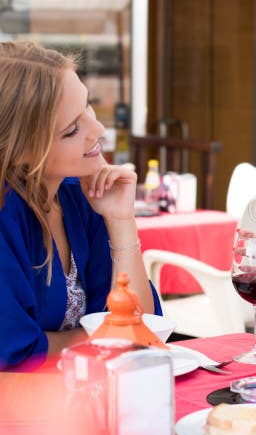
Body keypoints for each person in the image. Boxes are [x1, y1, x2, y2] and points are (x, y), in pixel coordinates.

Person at [0, 41, 162, 371]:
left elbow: (143, 330)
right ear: (21, 150)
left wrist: (120, 220)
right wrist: (107, 339)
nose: (98, 129)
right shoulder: (7, 215)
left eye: (87, 107)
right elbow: (17, 357)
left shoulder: (79, 194)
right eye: (72, 129)